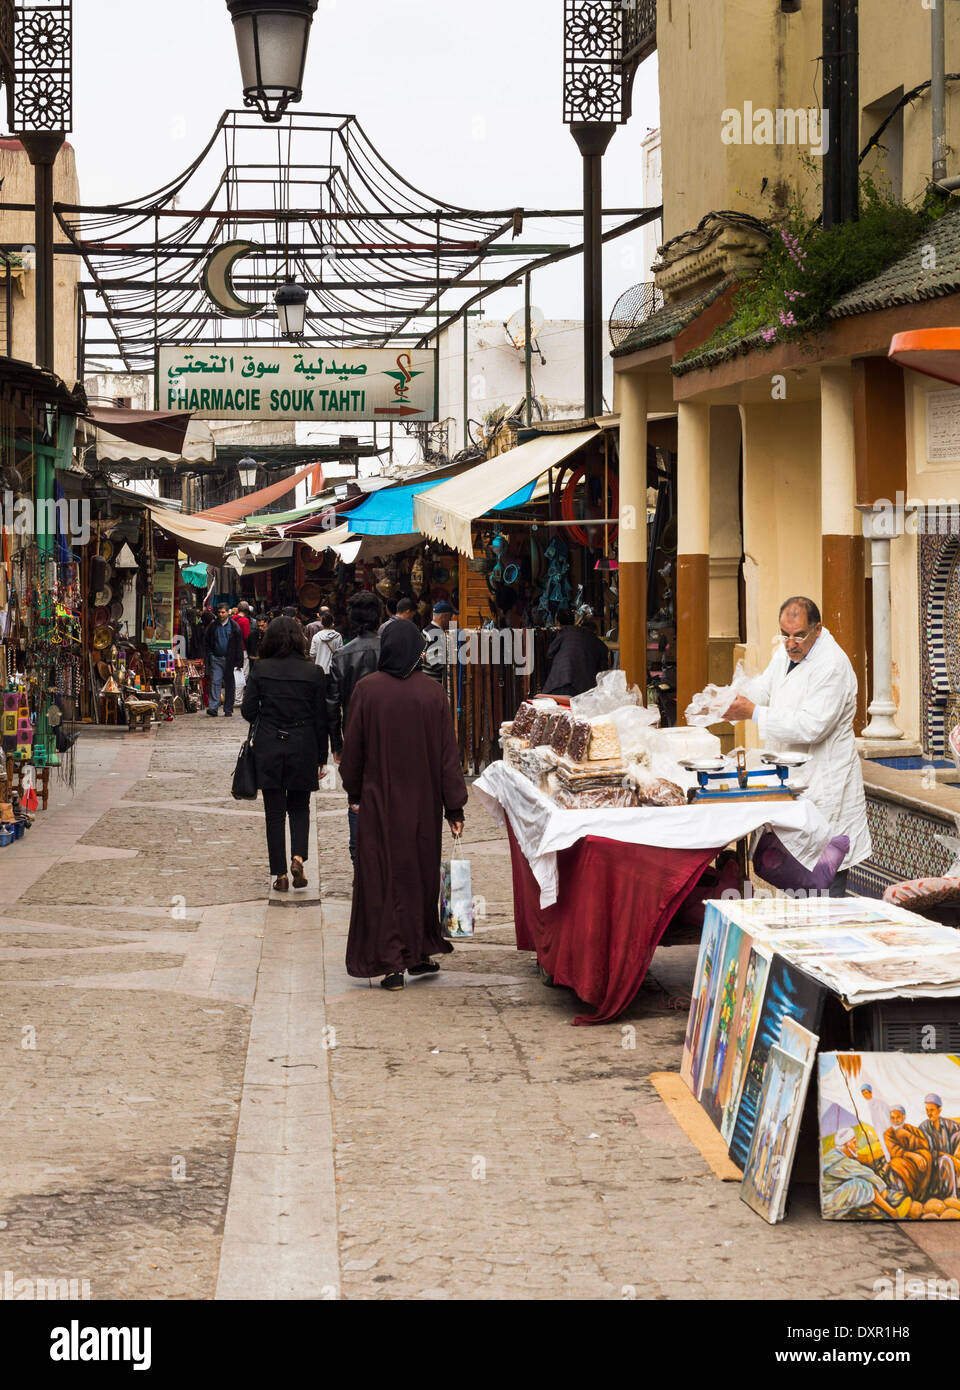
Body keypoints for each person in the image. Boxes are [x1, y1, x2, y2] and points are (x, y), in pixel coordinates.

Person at [339, 621, 467, 991]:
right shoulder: (433, 694)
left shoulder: (367, 691)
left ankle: (393, 964)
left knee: (382, 881)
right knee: (418, 879)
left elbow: (354, 752)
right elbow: (448, 757)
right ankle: (414, 951)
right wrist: (454, 808)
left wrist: (354, 794)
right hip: (422, 808)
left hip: (379, 806)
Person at [723, 596, 871, 896]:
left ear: (817, 630)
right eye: (785, 634)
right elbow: (764, 688)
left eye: (799, 635)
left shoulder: (832, 666)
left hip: (825, 784)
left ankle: (826, 939)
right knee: (792, 879)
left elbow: (811, 727)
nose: (791, 643)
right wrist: (729, 699)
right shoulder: (786, 652)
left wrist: (753, 712)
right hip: (792, 780)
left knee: (825, 881)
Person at [240, 616, 328, 894]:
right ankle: (298, 858)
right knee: (300, 806)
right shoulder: (313, 672)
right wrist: (321, 757)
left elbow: (248, 711)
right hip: (303, 743)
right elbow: (321, 718)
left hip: (269, 744)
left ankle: (279, 874)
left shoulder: (261, 669)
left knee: (274, 812)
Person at [327, 591, 382, 860]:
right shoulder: (391, 650)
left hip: (355, 736)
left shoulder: (342, 655)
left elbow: (332, 704)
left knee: (357, 797)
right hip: (390, 735)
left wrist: (337, 744)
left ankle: (359, 858)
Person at [542, 609, 610, 696]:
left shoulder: (565, 632)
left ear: (557, 622)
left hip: (559, 682)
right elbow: (604, 671)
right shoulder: (599, 644)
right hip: (584, 688)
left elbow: (550, 654)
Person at [203, 603, 245, 718]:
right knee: (215, 682)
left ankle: (228, 709)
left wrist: (239, 662)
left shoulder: (234, 627)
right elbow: (207, 641)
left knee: (229, 684)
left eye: (223, 612)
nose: (221, 614)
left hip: (229, 659)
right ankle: (213, 707)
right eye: (219, 612)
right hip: (216, 658)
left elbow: (239, 645)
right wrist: (210, 655)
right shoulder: (213, 626)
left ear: (228, 613)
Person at [920, 1094, 960, 1198]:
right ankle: (952, 1197)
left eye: (931, 1110)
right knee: (946, 1160)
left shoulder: (949, 1124)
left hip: (952, 1159)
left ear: (939, 1110)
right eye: (927, 1110)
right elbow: (929, 1152)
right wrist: (952, 1158)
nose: (929, 1113)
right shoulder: (924, 1127)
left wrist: (957, 1153)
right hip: (934, 1164)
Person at [423, 599, 454, 682]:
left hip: (425, 679)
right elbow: (437, 665)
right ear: (444, 617)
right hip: (434, 682)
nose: (451, 621)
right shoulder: (437, 634)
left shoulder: (425, 630)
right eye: (450, 617)